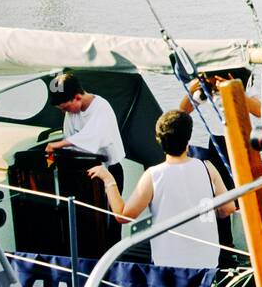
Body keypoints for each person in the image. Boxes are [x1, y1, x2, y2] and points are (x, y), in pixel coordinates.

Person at [88, 111, 236, 270]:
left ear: (159, 141)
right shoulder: (208, 168)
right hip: (207, 261)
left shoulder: (153, 175)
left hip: (170, 264)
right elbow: (228, 208)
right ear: (188, 139)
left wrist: (108, 179)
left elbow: (123, 216)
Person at [45, 73, 128, 192]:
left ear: (78, 97)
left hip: (108, 170)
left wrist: (58, 144)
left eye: (66, 108)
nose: (64, 112)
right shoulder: (71, 113)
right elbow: (69, 138)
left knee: (109, 209)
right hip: (85, 169)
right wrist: (52, 157)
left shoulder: (101, 107)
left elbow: (94, 136)